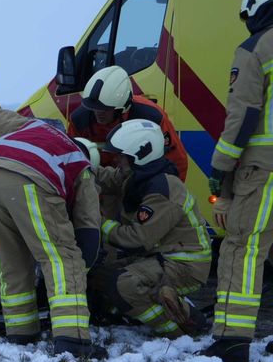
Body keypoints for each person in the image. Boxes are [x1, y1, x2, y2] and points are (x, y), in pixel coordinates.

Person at [0, 102, 103, 357]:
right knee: (61, 257)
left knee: (10, 260)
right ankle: (73, 341)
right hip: (30, 176)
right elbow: (89, 231)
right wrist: (81, 266)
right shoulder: (82, 168)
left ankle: (21, 332)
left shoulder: (33, 126)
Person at [202, 0, 273, 362]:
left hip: (264, 170)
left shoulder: (255, 48)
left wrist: (220, 167)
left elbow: (243, 115)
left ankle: (232, 340)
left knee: (242, 248)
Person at [88, 119, 211, 337]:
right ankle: (133, 309)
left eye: (120, 155)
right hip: (161, 257)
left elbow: (136, 238)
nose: (116, 159)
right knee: (98, 275)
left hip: (185, 265)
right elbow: (109, 178)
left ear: (139, 154)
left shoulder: (161, 191)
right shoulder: (137, 175)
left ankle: (182, 326)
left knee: (124, 283)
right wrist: (82, 168)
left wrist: (96, 221)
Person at [69, 65, 188, 180]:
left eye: (106, 109)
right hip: (103, 187)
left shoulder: (151, 117)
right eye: (94, 108)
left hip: (143, 185)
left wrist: (167, 190)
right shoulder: (80, 120)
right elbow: (72, 160)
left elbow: (176, 160)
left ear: (123, 107)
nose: (98, 113)